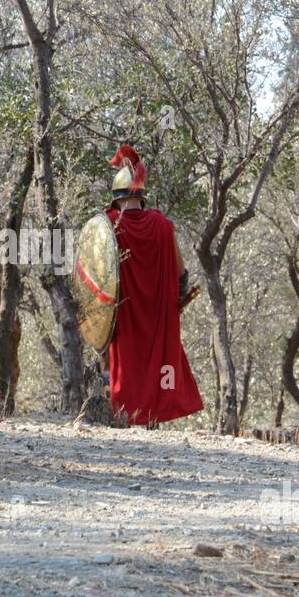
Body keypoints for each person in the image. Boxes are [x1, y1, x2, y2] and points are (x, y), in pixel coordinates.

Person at [102, 145, 203, 425]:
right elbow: (181, 274)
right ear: (141, 197)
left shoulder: (108, 225)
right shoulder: (163, 225)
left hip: (124, 316)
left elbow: (93, 275)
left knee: (128, 368)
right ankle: (152, 418)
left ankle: (126, 416)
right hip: (158, 314)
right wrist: (176, 301)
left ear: (116, 197)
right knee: (158, 367)